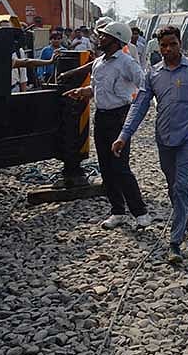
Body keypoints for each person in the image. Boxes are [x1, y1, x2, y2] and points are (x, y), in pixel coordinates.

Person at [114, 25, 188, 264]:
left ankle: (175, 243)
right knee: (173, 185)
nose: (168, 49)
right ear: (159, 47)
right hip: (165, 139)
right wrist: (124, 135)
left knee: (182, 185)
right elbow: (140, 105)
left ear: (180, 44)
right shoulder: (153, 74)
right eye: (164, 45)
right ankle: (182, 216)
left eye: (172, 44)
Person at [64, 21, 150, 229]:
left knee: (120, 167)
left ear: (116, 40)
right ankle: (118, 211)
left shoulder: (126, 63)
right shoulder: (99, 63)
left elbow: (145, 86)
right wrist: (81, 92)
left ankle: (140, 213)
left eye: (104, 36)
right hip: (101, 118)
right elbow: (96, 89)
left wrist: (132, 113)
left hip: (119, 118)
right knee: (106, 168)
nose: (99, 38)